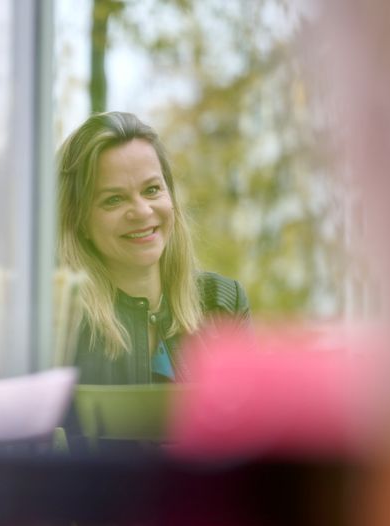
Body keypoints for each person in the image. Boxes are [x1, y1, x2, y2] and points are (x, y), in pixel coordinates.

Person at [56, 111, 250, 384]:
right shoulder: (64, 327)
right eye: (114, 199)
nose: (142, 211)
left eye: (151, 190)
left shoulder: (222, 304)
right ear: (79, 221)